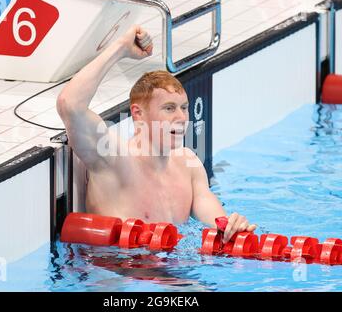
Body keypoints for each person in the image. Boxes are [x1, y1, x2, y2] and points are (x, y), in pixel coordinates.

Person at [57, 25, 257, 243]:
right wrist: (121, 48)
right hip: (122, 273)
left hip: (179, 273)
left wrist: (232, 226)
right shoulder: (114, 159)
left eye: (184, 107)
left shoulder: (188, 164)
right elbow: (69, 104)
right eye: (169, 108)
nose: (181, 118)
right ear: (138, 114)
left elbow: (219, 225)